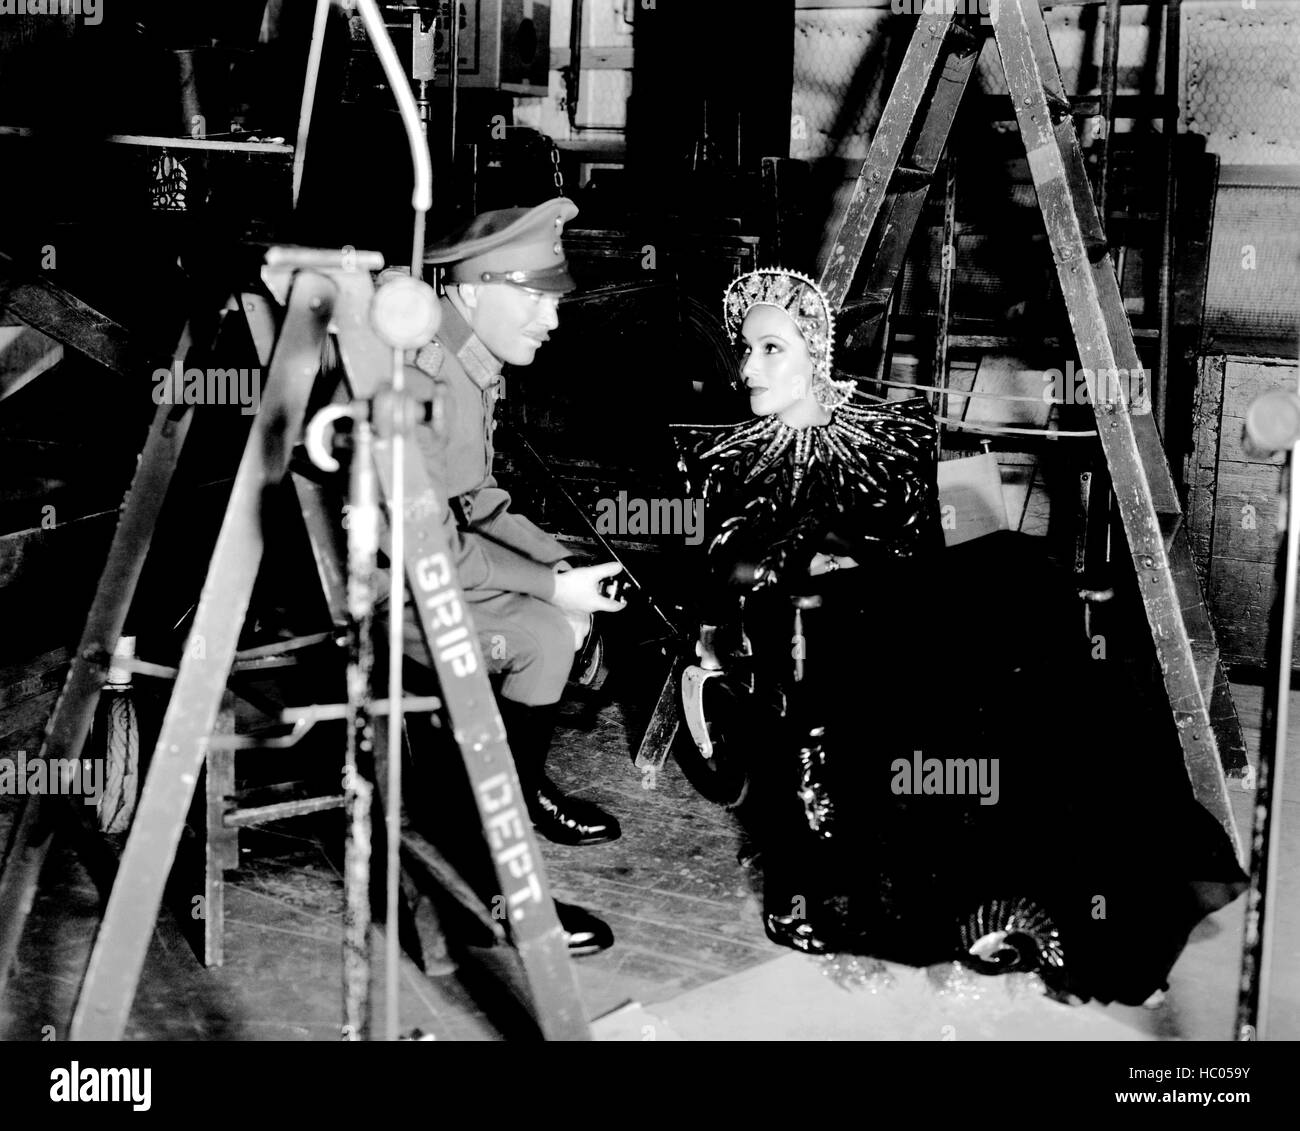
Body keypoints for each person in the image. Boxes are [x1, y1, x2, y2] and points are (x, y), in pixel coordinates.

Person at [673, 267, 1247, 1005]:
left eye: (771, 349)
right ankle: (975, 900)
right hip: (811, 624)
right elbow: (726, 569)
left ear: (816, 352)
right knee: (952, 647)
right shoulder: (726, 455)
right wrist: (804, 554)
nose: (749, 368)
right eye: (745, 350)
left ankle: (1091, 886)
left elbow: (920, 546)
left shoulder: (887, 431)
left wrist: (865, 554)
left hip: (895, 606)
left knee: (1025, 586)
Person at [391, 198, 627, 956]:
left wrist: (561, 568)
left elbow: (476, 498)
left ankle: (515, 798)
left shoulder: (471, 357)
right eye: (531, 295)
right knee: (537, 634)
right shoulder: (422, 374)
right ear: (464, 288)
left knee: (556, 627)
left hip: (427, 561)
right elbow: (427, 547)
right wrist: (549, 589)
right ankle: (486, 884)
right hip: (381, 586)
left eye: (551, 297)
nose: (551, 319)